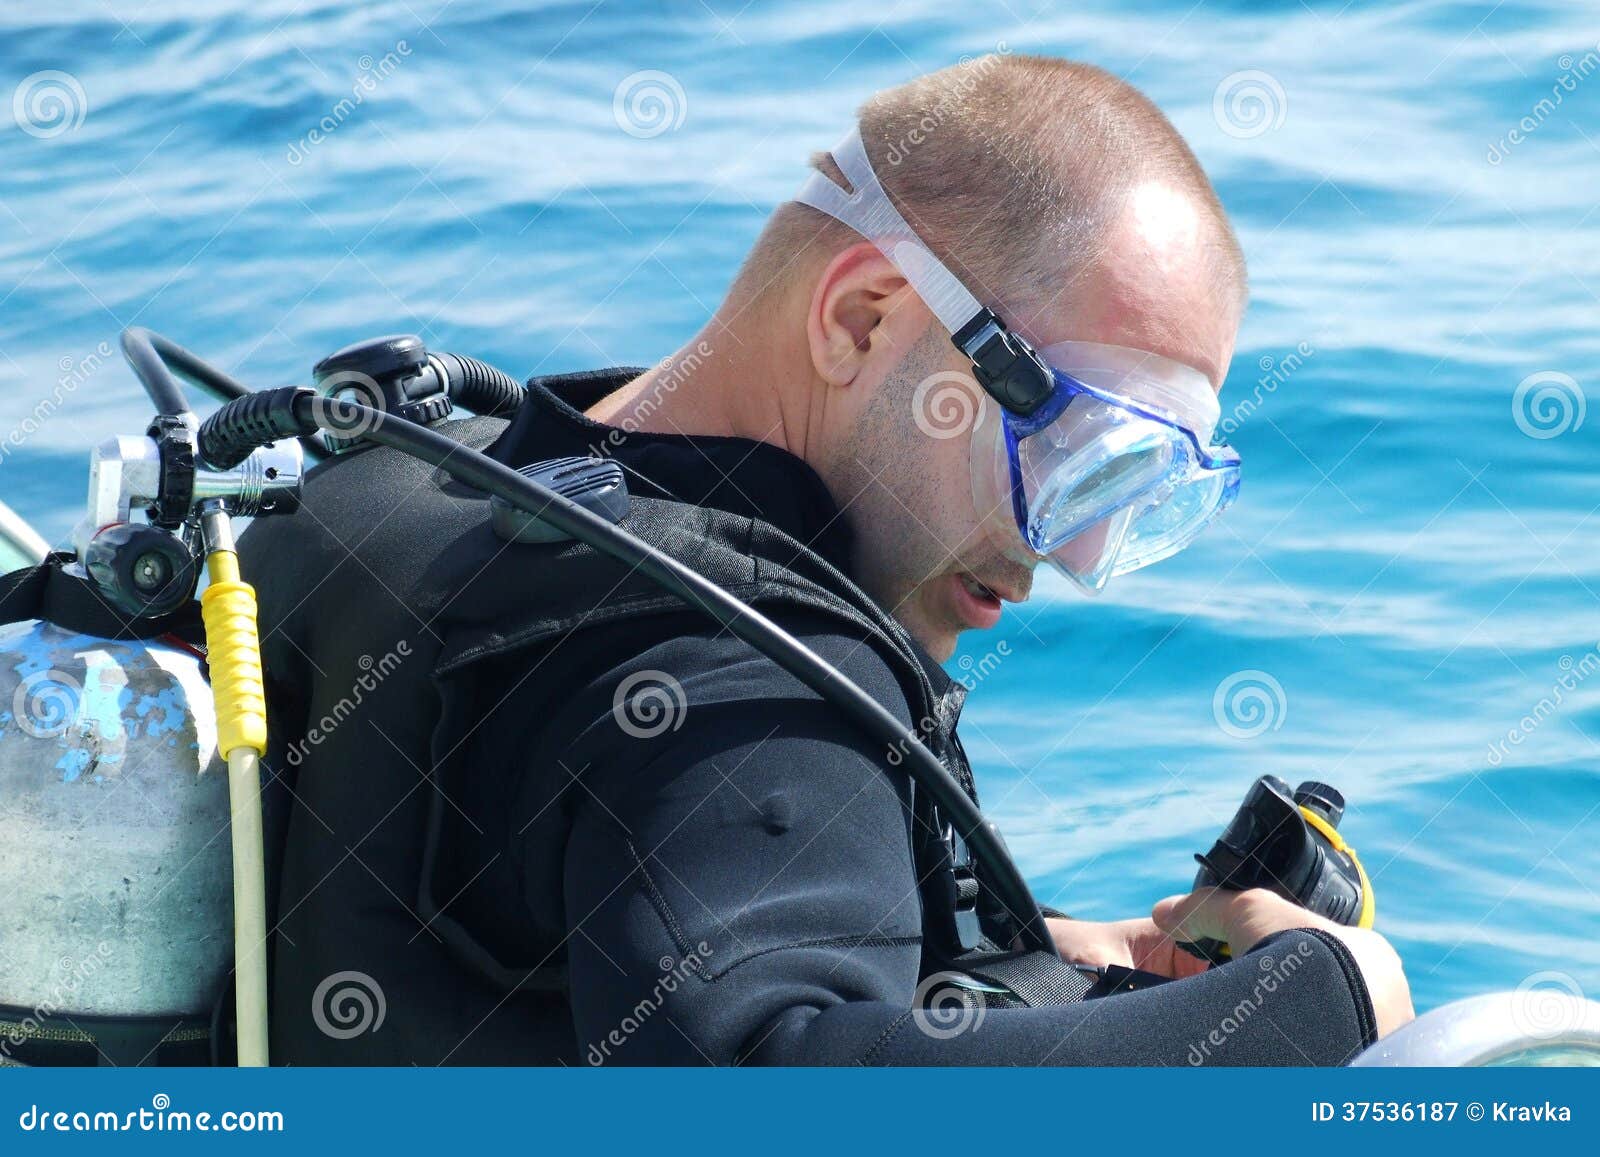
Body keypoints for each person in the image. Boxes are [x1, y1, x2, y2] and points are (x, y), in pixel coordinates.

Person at [240, 53, 1412, 1065]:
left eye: (1141, 492)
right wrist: (1314, 1005)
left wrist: (1065, 958)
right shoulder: (737, 667)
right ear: (862, 318)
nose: (1075, 548)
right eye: (1076, 451)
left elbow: (595, 916)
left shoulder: (407, 487)